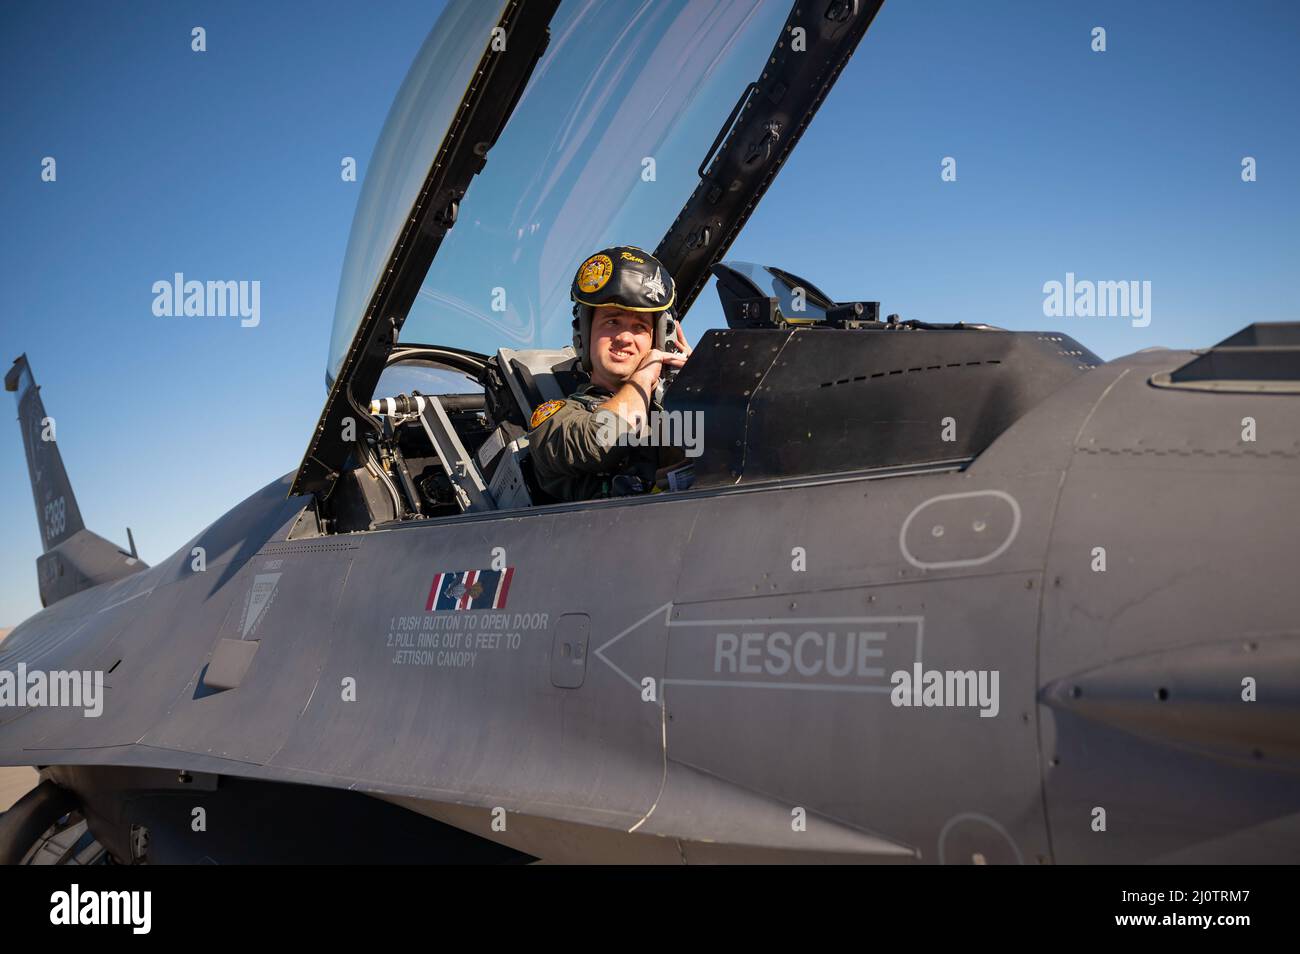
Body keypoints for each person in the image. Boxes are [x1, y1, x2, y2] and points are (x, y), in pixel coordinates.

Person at [527, 246, 691, 502]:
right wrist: (645, 376)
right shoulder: (554, 420)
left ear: (658, 341)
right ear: (585, 335)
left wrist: (699, 388)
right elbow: (600, 440)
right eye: (612, 322)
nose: (625, 337)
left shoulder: (670, 414)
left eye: (639, 327)